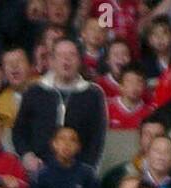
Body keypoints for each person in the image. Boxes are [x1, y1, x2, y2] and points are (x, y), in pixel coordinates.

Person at [14, 38, 109, 172]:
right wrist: (27, 156)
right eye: (60, 55)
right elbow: (19, 131)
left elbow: (97, 137)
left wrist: (87, 169)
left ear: (80, 60)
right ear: (51, 60)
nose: (66, 59)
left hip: (79, 170)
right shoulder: (34, 91)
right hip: (39, 168)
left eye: (72, 55)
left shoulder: (93, 94)